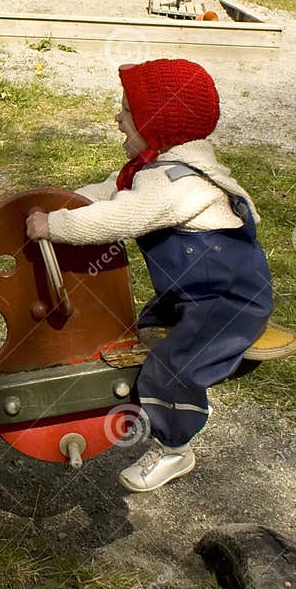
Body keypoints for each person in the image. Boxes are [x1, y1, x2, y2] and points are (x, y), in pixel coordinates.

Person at [25, 59, 273, 492]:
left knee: (168, 369)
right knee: (137, 336)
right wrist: (59, 203)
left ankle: (175, 446)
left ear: (156, 125)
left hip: (227, 303)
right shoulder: (156, 166)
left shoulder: (178, 185)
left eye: (126, 111)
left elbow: (120, 217)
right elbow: (108, 195)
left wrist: (56, 226)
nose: (117, 118)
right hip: (190, 294)